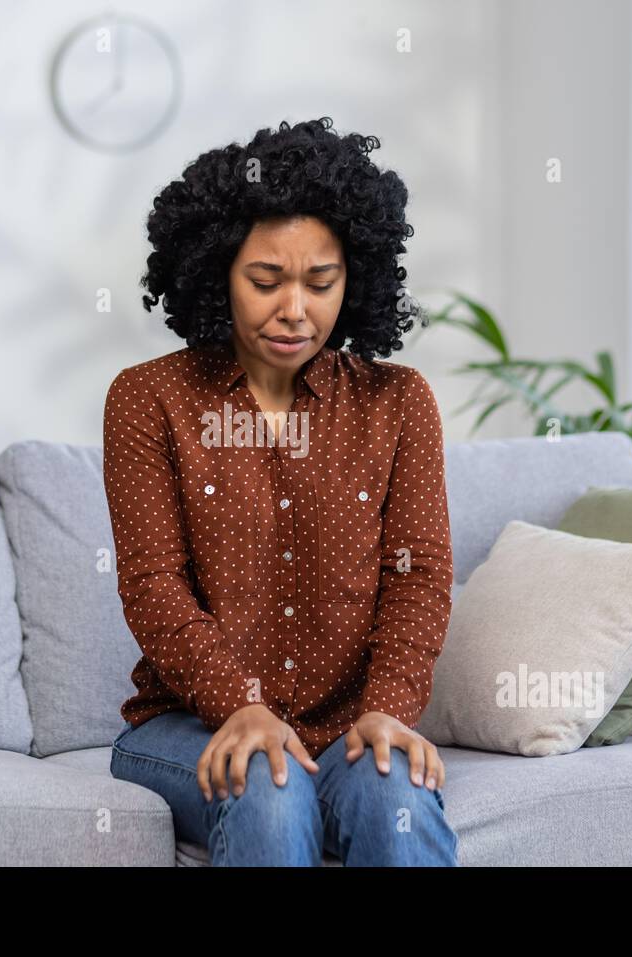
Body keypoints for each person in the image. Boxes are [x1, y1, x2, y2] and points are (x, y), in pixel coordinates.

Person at [103, 117, 458, 866]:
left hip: (346, 728)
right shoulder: (148, 399)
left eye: (320, 283)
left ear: (354, 280)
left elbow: (418, 580)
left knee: (395, 794)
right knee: (266, 783)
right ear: (215, 270)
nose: (294, 307)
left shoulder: (399, 402)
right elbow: (151, 585)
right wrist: (241, 705)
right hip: (185, 723)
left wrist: (389, 712)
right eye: (265, 281)